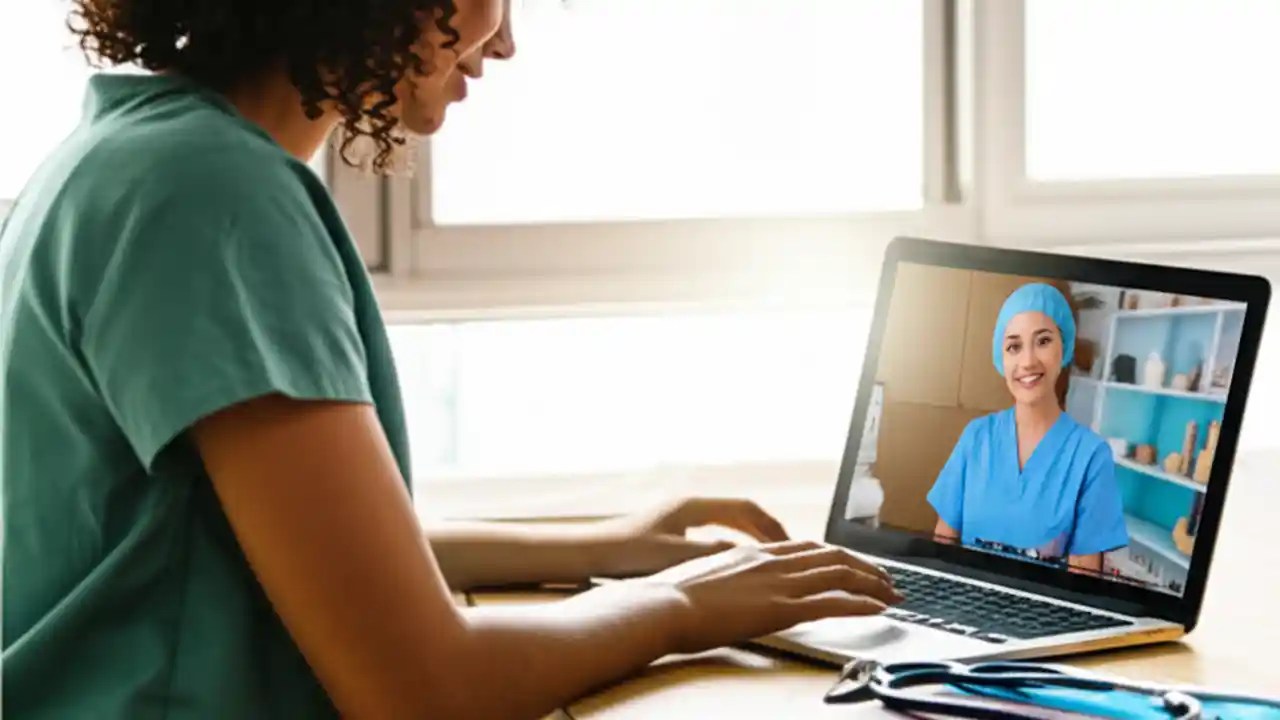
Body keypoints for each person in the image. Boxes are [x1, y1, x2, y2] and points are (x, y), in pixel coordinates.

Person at [0, 1, 904, 717]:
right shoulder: (214, 196)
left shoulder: (117, 158)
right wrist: (684, 607)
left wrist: (613, 545)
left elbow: (303, 558)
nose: (504, 39)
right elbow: (421, 690)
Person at [927, 283, 1129, 574]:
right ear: (1002, 358)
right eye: (1014, 346)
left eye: (1043, 341)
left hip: (1047, 615)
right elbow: (943, 546)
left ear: (1065, 347)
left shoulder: (1090, 456)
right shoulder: (977, 438)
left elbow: (1085, 581)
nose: (1028, 361)